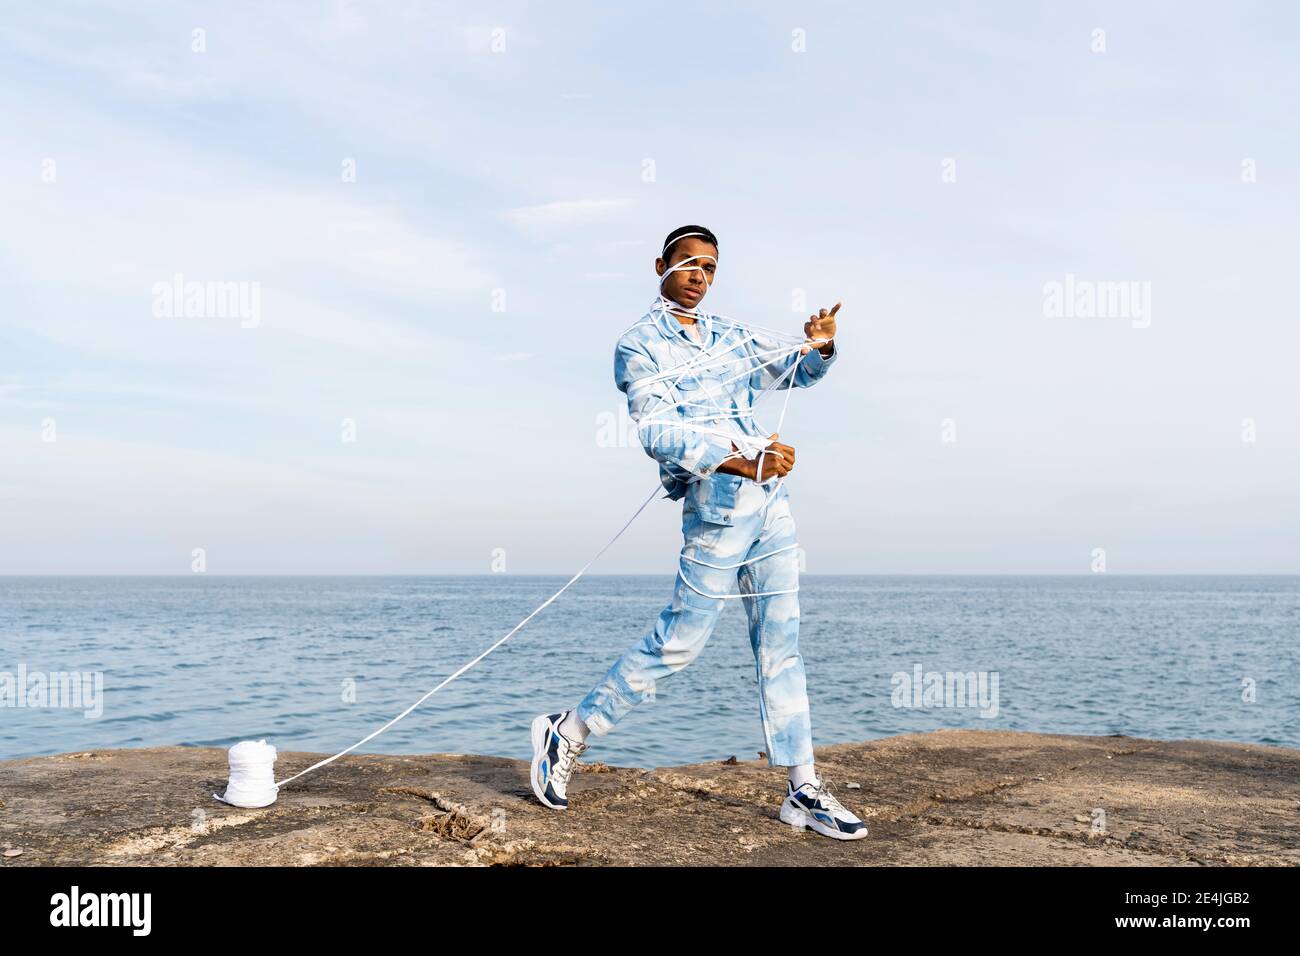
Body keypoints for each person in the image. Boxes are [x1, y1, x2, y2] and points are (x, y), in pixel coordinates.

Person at [529, 225, 867, 840]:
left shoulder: (732, 336)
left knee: (781, 642)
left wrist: (820, 346)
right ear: (660, 265)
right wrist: (733, 459)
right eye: (687, 264)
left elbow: (795, 374)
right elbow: (654, 429)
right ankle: (569, 731)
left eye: (709, 267)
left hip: (771, 501)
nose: (698, 276)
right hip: (715, 503)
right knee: (680, 641)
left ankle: (802, 788)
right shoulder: (638, 344)